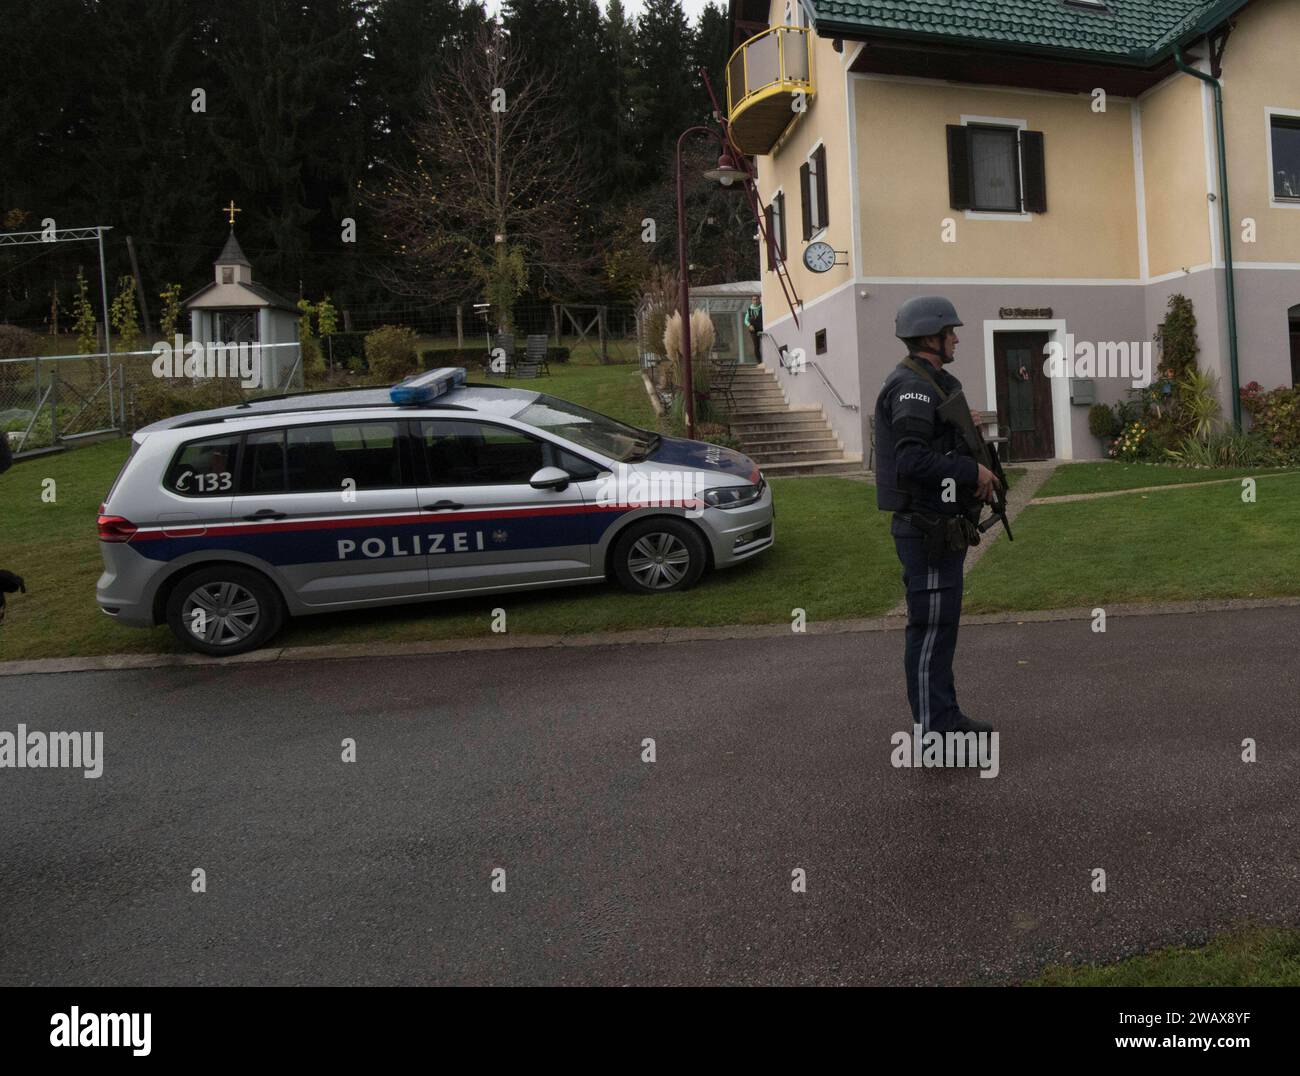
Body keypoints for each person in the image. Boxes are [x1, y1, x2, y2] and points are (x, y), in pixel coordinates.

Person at [873, 296, 1000, 737]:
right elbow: (911, 460)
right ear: (931, 337)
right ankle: (935, 733)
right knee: (929, 630)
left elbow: (931, 439)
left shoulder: (931, 383)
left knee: (941, 629)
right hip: (924, 530)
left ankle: (945, 717)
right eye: (951, 333)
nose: (957, 338)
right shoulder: (912, 387)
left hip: (939, 529)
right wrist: (972, 470)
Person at [743, 295, 763, 362]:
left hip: (762, 328)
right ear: (752, 301)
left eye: (756, 299)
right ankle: (759, 361)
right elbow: (745, 320)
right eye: (753, 299)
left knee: (763, 344)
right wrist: (749, 325)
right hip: (753, 330)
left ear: (759, 300)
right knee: (756, 346)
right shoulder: (749, 309)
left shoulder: (763, 308)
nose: (755, 301)